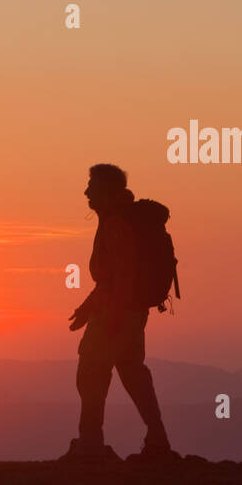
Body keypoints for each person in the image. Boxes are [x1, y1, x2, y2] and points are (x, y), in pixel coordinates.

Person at [63, 163, 173, 461]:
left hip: (117, 314)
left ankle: (90, 446)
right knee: (133, 373)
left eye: (91, 186)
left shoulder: (116, 225)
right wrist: (88, 309)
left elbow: (121, 276)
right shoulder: (118, 219)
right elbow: (113, 278)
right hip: (132, 313)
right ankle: (158, 442)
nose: (86, 191)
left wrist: (110, 319)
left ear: (105, 190)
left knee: (91, 373)